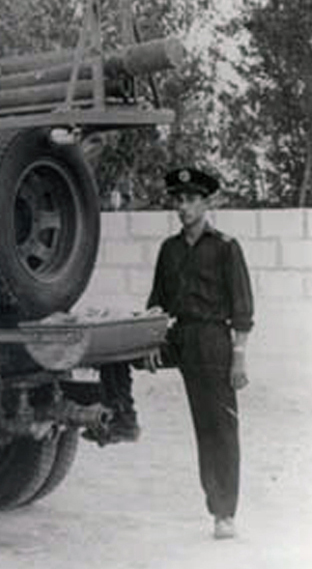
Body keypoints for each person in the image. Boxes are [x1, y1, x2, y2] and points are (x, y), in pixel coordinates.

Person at [95, 167, 253, 541]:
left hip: (213, 340)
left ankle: (223, 513)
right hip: (177, 335)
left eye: (191, 199)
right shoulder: (170, 249)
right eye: (178, 200)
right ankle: (123, 417)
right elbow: (157, 304)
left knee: (216, 427)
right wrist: (149, 343)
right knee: (114, 353)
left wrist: (239, 357)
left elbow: (243, 308)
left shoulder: (226, 247)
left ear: (206, 202)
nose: (183, 207)